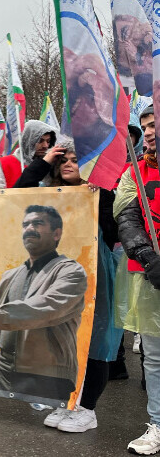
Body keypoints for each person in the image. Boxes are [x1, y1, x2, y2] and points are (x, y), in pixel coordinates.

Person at [15, 141, 120, 433]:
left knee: (95, 343)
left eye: (77, 160)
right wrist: (45, 159)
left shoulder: (103, 195)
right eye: (64, 161)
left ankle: (87, 409)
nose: (69, 164)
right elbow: (19, 188)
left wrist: (99, 191)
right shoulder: (50, 197)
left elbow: (113, 230)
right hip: (57, 282)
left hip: (96, 280)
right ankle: (67, 401)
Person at [0, 205, 86, 403]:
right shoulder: (11, 275)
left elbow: (46, 308)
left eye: (38, 223)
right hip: (2, 367)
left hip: (46, 370)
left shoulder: (71, 272)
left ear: (57, 233)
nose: (29, 228)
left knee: (38, 431)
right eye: (26, 224)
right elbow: (1, 323)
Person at [114, 106, 160, 454]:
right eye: (145, 126)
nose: (148, 132)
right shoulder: (134, 172)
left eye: (154, 124)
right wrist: (148, 257)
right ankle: (157, 424)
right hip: (150, 276)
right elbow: (127, 218)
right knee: (155, 357)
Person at [0, 120, 57, 189]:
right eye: (40, 141)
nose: (45, 146)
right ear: (29, 140)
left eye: (48, 141)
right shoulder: (5, 164)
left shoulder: (51, 165)